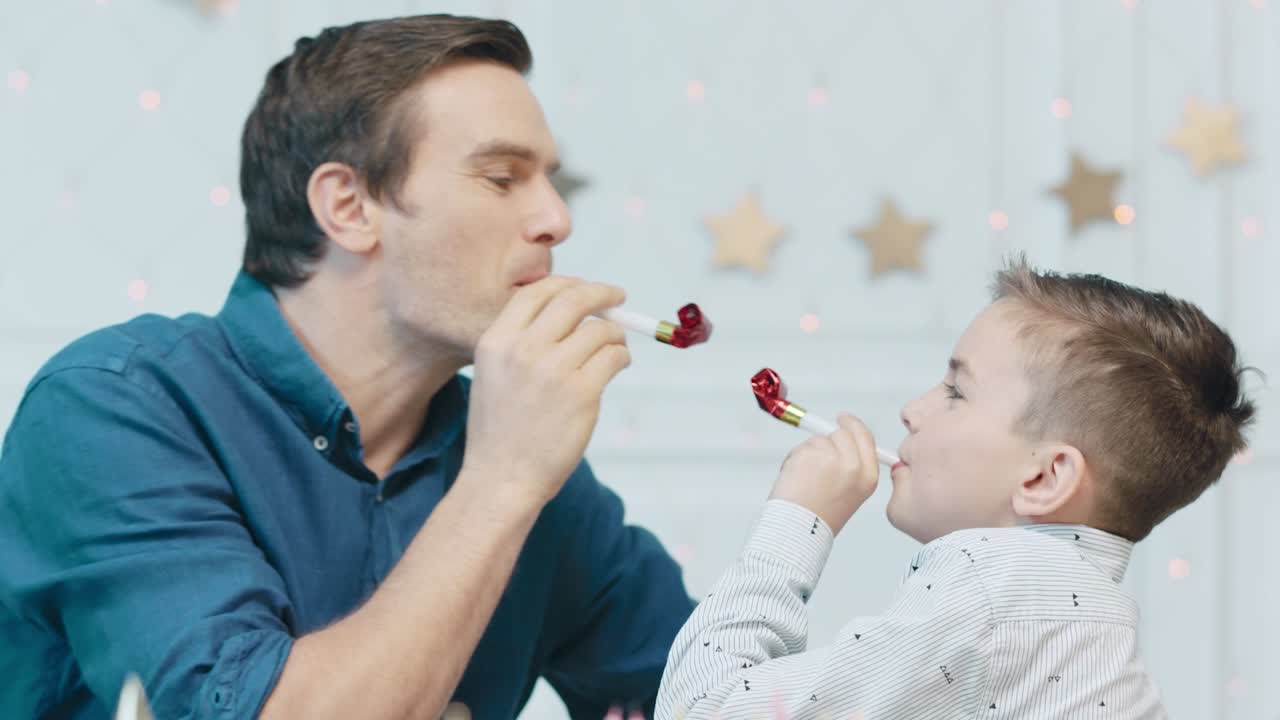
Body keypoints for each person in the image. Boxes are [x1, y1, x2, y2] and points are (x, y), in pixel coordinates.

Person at [0, 14, 694, 719]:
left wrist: (804, 512)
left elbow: (708, 690)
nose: (555, 219)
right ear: (348, 206)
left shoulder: (532, 468)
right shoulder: (110, 409)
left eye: (550, 180)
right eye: (501, 177)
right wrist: (502, 483)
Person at [656, 258, 1256, 719]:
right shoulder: (1079, 616)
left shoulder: (993, 591)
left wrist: (795, 522)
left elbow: (701, 709)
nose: (913, 411)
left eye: (955, 392)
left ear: (1045, 477)